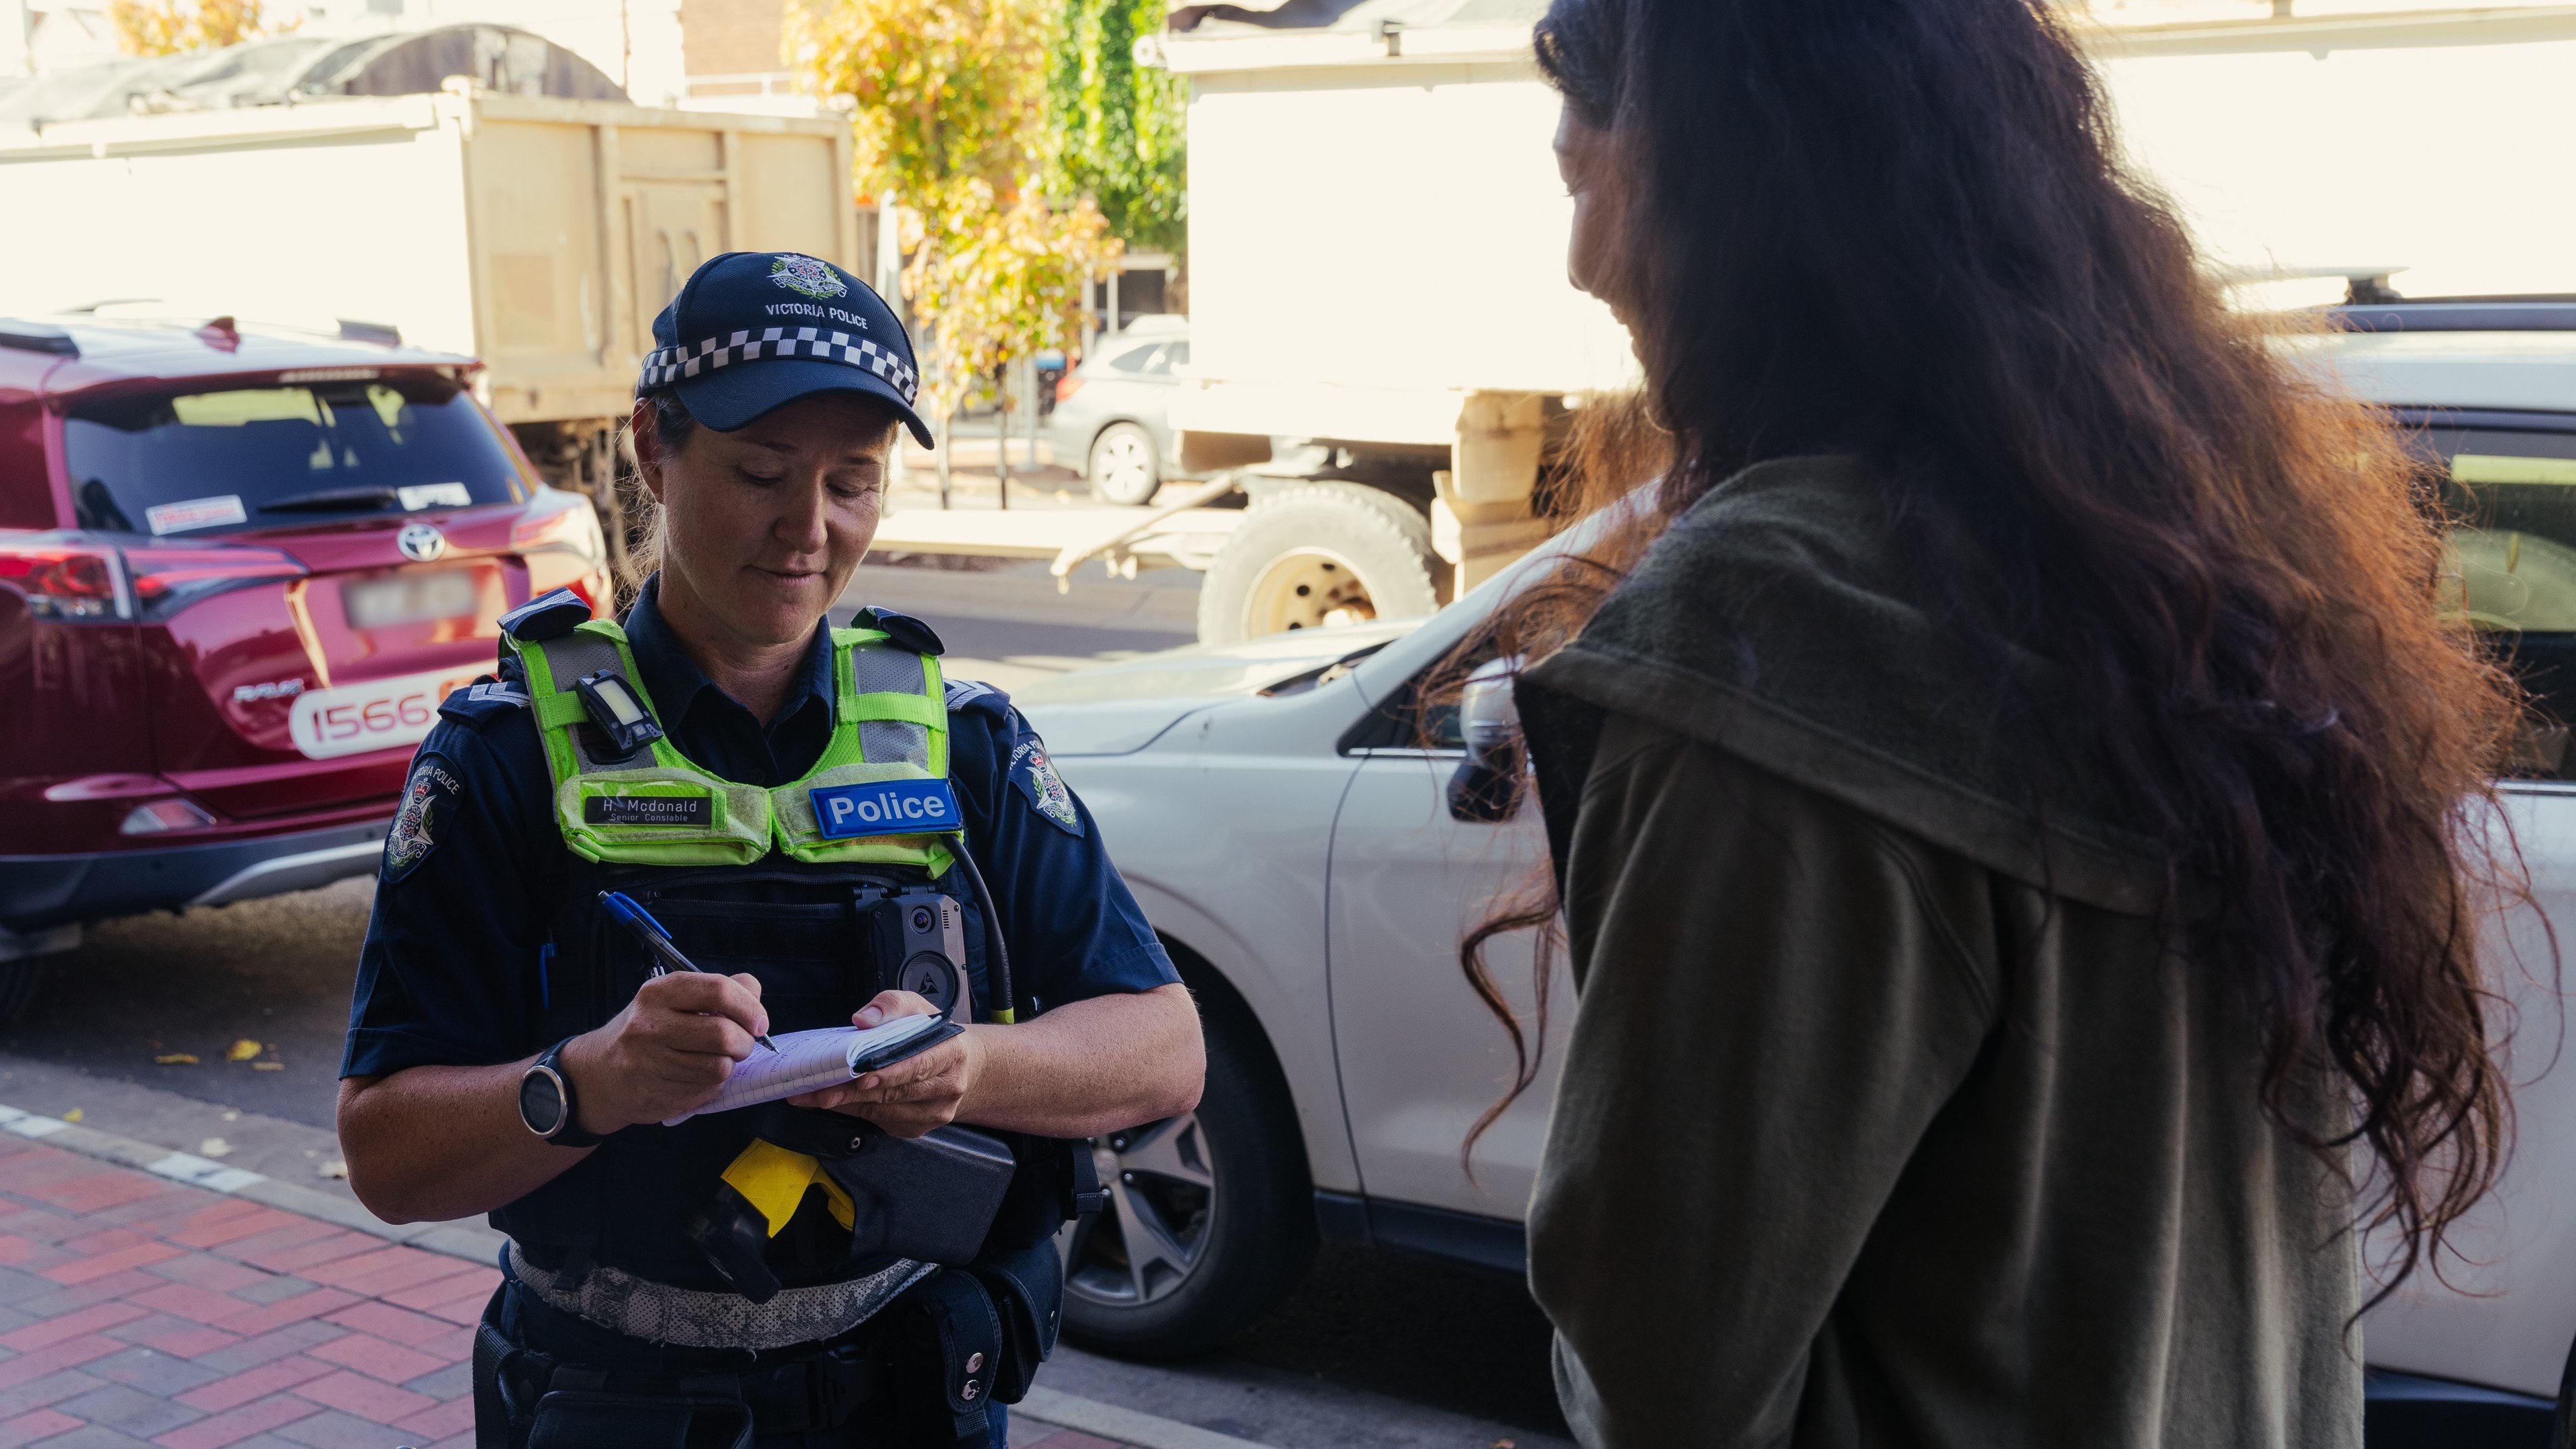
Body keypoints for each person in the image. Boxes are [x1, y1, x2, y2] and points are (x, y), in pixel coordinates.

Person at [1459, 1, 2526, 1445]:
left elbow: (1664, 1378)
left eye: (1580, 174)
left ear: (1711, 181)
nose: (1583, 264)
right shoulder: (2162, 586)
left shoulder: (1776, 624)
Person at [336, 250, 1205, 1448]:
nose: (810, 531)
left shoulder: (963, 738)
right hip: (612, 1403)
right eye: (761, 474)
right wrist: (596, 1082)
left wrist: (966, 1067)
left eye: (855, 482)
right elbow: (386, 1156)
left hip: (907, 1392)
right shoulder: (504, 755)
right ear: (653, 450)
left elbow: (1163, 1048)